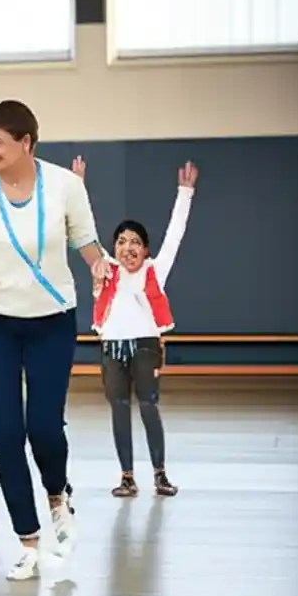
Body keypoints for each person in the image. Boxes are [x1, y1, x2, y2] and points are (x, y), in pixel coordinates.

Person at [0, 100, 111, 580]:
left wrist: (98, 265)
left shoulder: (65, 185)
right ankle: (28, 540)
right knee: (5, 431)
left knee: (43, 426)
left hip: (51, 320)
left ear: (26, 143)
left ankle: (58, 494)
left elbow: (87, 241)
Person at [93, 162, 197, 499]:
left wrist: (185, 193)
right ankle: (126, 476)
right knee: (119, 407)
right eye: (121, 242)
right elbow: (85, 234)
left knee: (149, 406)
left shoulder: (156, 270)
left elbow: (175, 233)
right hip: (112, 347)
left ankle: (160, 474)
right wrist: (77, 188)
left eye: (135, 242)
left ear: (146, 249)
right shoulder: (106, 271)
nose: (128, 247)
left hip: (146, 345)